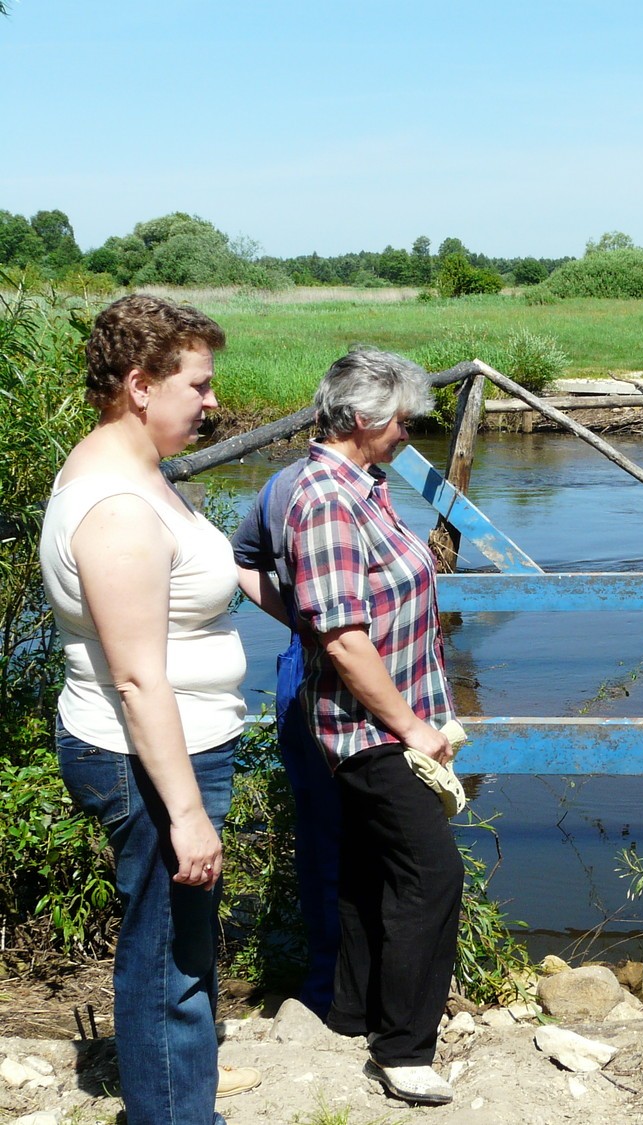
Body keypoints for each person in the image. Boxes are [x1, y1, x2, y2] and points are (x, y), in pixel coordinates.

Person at [40, 294, 261, 1124]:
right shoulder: (119, 508)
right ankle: (171, 1110)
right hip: (149, 761)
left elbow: (199, 576)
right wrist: (188, 813)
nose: (212, 402)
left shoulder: (137, 471)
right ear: (140, 383)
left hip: (173, 750)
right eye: (198, 385)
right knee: (167, 958)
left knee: (180, 948)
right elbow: (137, 678)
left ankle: (181, 1090)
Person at [282, 347, 462, 1108]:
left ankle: (355, 1010)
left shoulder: (366, 486)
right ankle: (404, 1049)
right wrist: (412, 727)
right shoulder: (327, 498)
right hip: (369, 732)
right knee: (431, 873)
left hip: (382, 722)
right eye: (403, 419)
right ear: (362, 420)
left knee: (366, 869)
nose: (410, 430)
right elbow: (344, 639)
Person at [232, 456, 342, 1016]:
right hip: (330, 670)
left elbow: (244, 559)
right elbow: (244, 560)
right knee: (341, 835)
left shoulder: (279, 484)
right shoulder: (318, 488)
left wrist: (296, 620)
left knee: (320, 835)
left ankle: (327, 984)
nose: (405, 431)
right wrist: (305, 624)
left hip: (304, 664)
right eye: (400, 420)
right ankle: (338, 987)